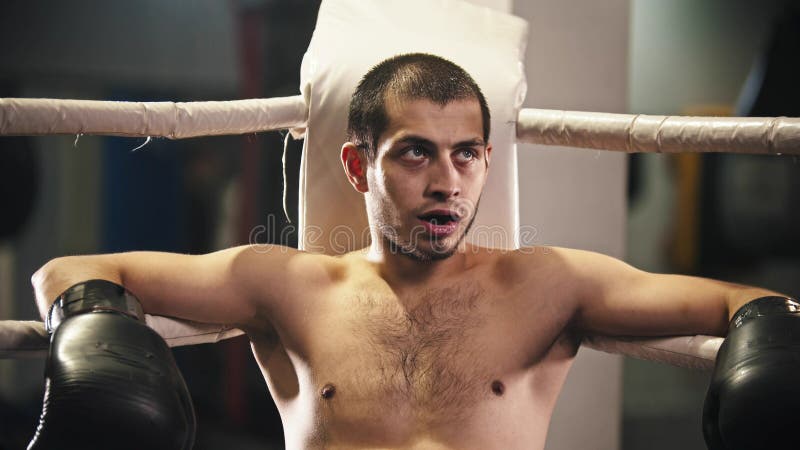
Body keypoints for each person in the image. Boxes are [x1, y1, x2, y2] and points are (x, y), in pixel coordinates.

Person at [31, 53, 783, 450]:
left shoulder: (549, 285)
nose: (446, 183)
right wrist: (99, 353)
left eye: (466, 156)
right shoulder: (289, 285)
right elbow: (72, 274)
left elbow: (742, 305)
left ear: (488, 160)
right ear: (360, 166)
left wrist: (773, 356)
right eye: (416, 154)